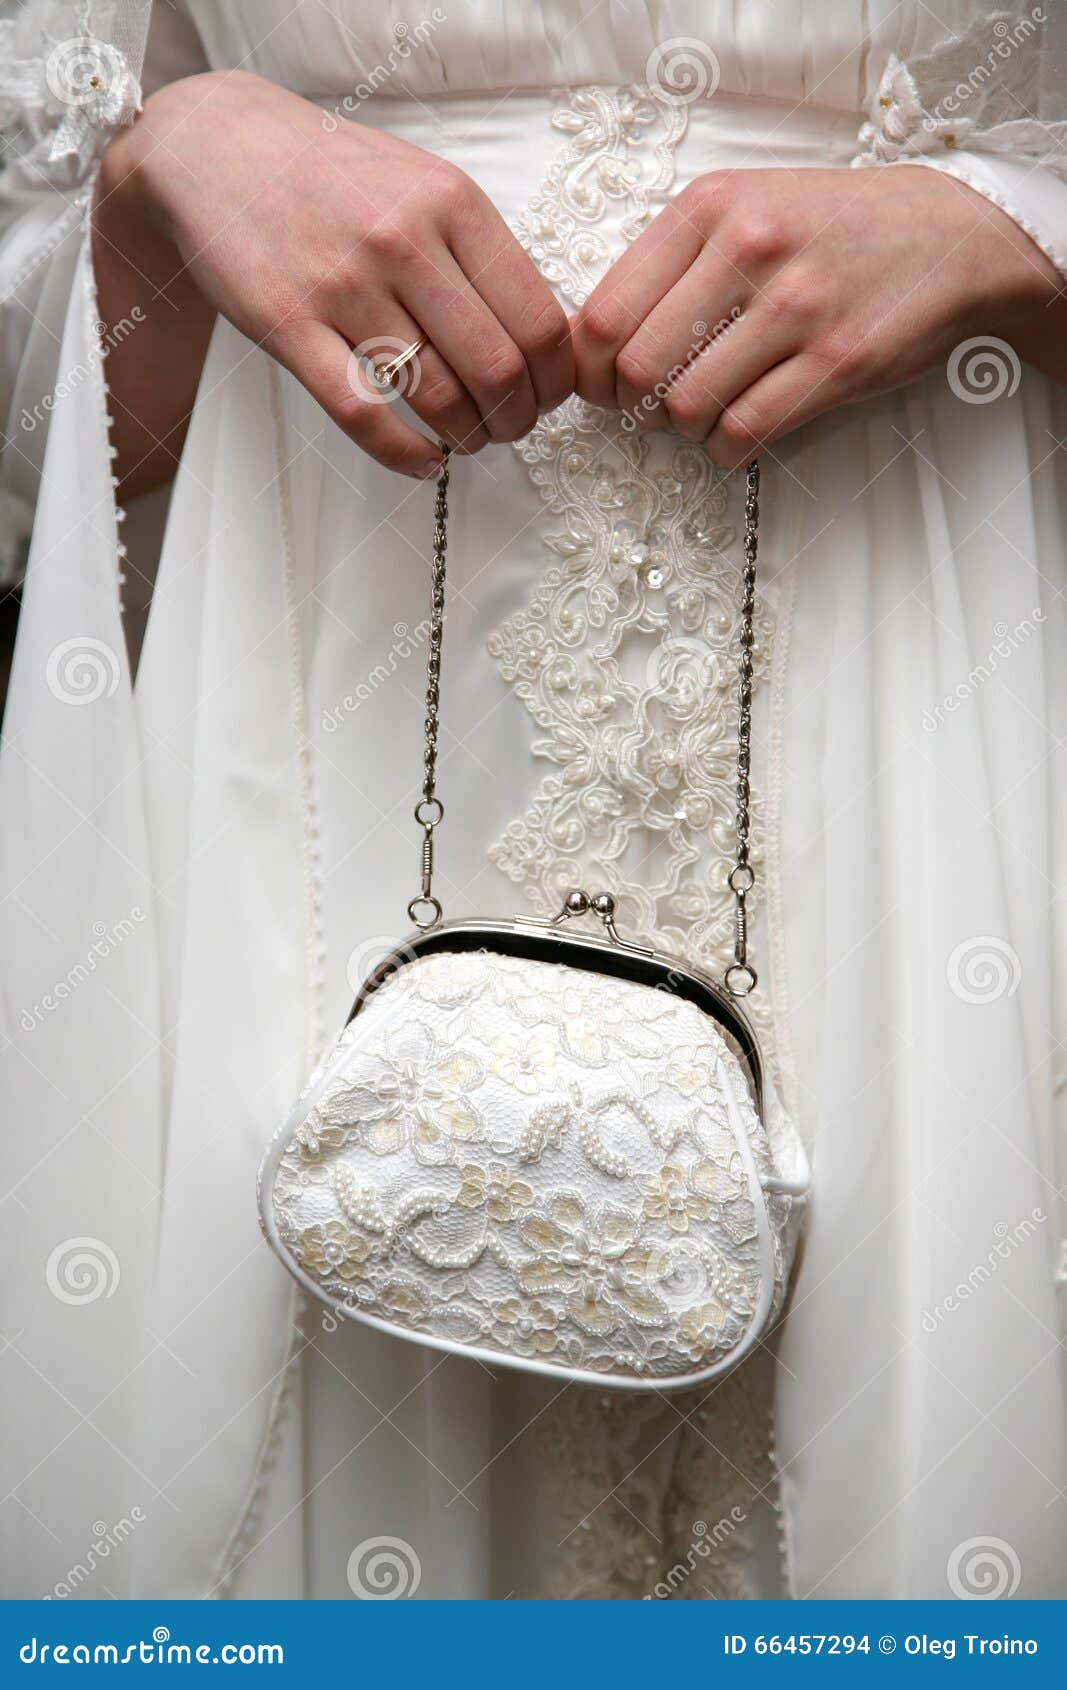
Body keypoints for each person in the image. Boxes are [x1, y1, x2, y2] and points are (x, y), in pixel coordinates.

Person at [1, 0, 1064, 1600]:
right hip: (320, 679)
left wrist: (1023, 243)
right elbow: (51, 446)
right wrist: (164, 165)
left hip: (934, 676)